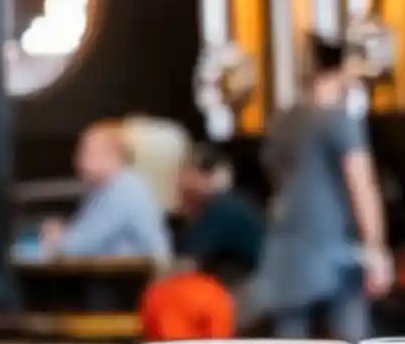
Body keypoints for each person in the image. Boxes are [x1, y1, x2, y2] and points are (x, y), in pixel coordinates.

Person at [251, 36, 392, 342]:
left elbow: (275, 177)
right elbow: (361, 185)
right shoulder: (340, 120)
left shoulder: (282, 122)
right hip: (332, 253)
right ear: (342, 69)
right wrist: (376, 249)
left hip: (286, 250)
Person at [40, 120, 171, 261]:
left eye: (87, 152)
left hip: (137, 279)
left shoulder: (124, 190)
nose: (78, 161)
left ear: (114, 154)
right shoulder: (100, 190)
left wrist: (57, 237)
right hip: (118, 276)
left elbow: (77, 247)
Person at [176, 143, 264, 281]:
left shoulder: (224, 208)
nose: (181, 180)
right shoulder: (228, 203)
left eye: (187, 170)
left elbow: (188, 264)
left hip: (246, 289)